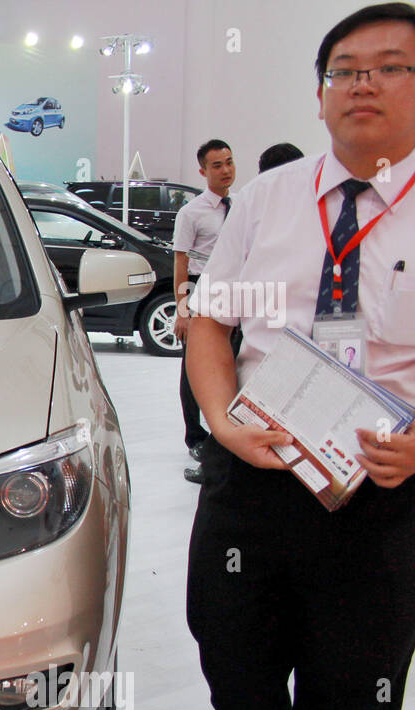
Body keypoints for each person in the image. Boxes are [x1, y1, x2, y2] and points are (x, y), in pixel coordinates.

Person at [185, 2, 415, 710]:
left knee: (354, 695)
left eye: (389, 66)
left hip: (385, 485)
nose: (362, 82)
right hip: (256, 470)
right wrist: (220, 420)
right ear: (321, 94)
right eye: (343, 69)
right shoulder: (265, 201)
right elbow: (209, 321)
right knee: (234, 659)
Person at [172, 139, 237, 484]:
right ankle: (196, 437)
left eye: (229, 162)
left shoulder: (239, 207)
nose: (226, 170)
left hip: (235, 290)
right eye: (217, 165)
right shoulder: (192, 212)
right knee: (194, 368)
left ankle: (222, 435)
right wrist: (182, 310)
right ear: (203, 171)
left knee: (231, 364)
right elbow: (180, 261)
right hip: (200, 288)